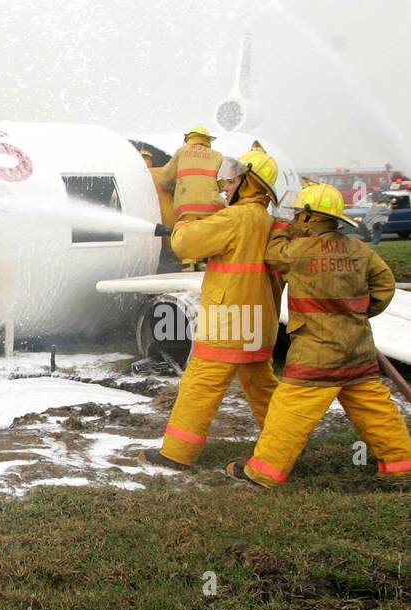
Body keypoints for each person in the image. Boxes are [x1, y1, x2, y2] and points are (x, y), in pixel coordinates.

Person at [227, 182, 411, 487]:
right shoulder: (360, 251)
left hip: (315, 354)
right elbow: (384, 288)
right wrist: (358, 314)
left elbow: (272, 254)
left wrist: (285, 229)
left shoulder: (297, 251)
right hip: (357, 350)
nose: (298, 217)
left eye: (301, 214)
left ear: (310, 217)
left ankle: (262, 474)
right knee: (378, 412)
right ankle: (402, 467)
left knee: (288, 414)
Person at [142, 148, 284, 472]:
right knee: (262, 387)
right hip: (259, 319)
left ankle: (177, 454)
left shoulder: (235, 217)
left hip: (229, 319)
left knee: (200, 384)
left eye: (233, 179)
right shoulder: (268, 221)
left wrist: (178, 229)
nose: (226, 185)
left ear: (249, 183)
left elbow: (187, 244)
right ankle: (287, 444)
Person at [155, 127, 226, 271]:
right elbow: (224, 182)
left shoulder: (182, 152)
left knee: (187, 231)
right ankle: (204, 260)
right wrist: (213, 189)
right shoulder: (218, 156)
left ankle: (188, 263)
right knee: (205, 231)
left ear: (190, 138)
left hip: (186, 203)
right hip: (210, 203)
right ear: (208, 140)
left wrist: (167, 186)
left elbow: (166, 175)